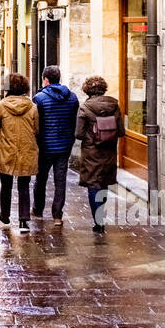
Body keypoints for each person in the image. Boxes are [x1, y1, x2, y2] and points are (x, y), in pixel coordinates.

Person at [76, 75, 125, 232]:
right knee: (103, 183)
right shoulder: (114, 106)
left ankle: (98, 221)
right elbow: (121, 131)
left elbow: (79, 134)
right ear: (103, 89)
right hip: (109, 150)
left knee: (93, 184)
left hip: (92, 152)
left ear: (87, 90)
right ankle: (100, 215)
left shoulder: (85, 108)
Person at [0, 72, 40, 232]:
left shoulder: (1, 105)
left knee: (6, 184)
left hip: (6, 149)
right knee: (24, 185)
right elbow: (37, 129)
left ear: (8, 88)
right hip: (27, 149)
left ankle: (5, 215)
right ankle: (24, 220)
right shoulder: (32, 107)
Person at [32, 65, 79, 224]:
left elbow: (36, 124)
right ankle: (57, 215)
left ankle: (38, 211)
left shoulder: (39, 98)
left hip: (45, 145)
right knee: (60, 180)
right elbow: (73, 121)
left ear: (45, 80)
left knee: (41, 179)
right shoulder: (72, 97)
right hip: (64, 145)